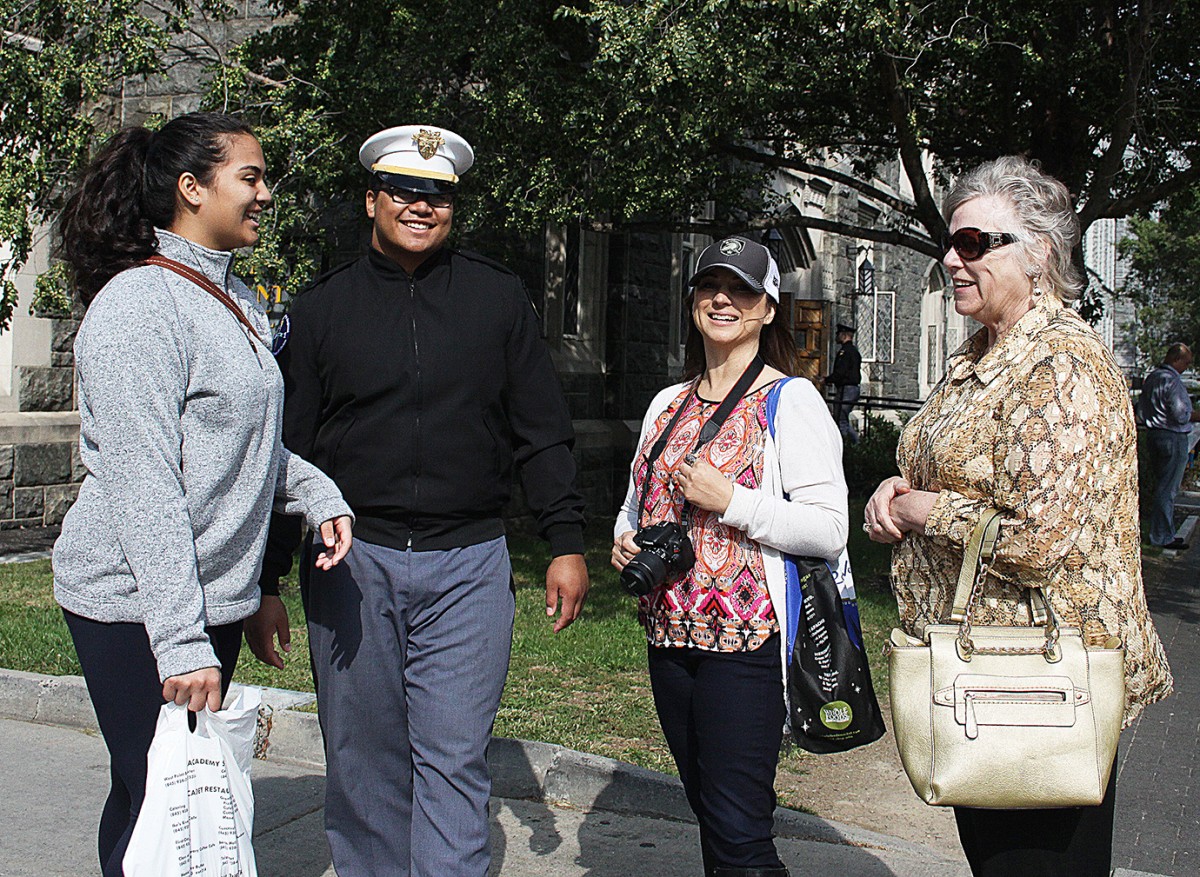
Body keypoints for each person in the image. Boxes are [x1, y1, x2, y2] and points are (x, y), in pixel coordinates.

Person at [253, 124, 589, 877]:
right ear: (372, 199)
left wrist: (564, 539)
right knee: (362, 762)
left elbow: (542, 430)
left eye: (436, 195)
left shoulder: (497, 298)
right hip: (350, 563)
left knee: (453, 758)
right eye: (404, 190)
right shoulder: (322, 309)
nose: (420, 205)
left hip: (468, 563)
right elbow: (286, 454)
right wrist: (266, 580)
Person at [51, 112, 354, 877]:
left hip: (200, 598)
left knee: (166, 804)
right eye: (249, 177)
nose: (265, 193)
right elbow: (146, 481)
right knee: (160, 796)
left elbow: (240, 444)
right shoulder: (139, 307)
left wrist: (316, 493)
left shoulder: (239, 300)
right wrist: (182, 641)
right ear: (191, 188)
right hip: (132, 602)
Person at [864, 156, 1172, 877]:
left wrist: (928, 510)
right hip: (989, 674)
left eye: (975, 243)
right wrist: (893, 489)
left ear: (1038, 253)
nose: (952, 258)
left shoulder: (1060, 364)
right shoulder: (983, 354)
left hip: (1042, 681)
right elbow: (942, 465)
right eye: (952, 241)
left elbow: (1038, 539)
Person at [612, 236, 847, 877]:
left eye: (741, 290)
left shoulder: (790, 402)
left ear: (768, 308)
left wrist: (733, 501)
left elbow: (829, 530)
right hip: (670, 637)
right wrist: (625, 536)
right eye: (710, 287)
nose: (723, 300)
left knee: (741, 832)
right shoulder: (668, 402)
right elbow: (638, 500)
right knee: (711, 814)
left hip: (747, 646)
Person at [1139, 342, 1200, 549]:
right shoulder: (1171, 381)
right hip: (1172, 437)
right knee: (1168, 489)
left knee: (1161, 486)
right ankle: (1162, 535)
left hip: (1155, 435)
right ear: (1176, 359)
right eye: (1186, 362)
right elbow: (1180, 414)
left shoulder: (1152, 378)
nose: (1186, 367)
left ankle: (1163, 531)